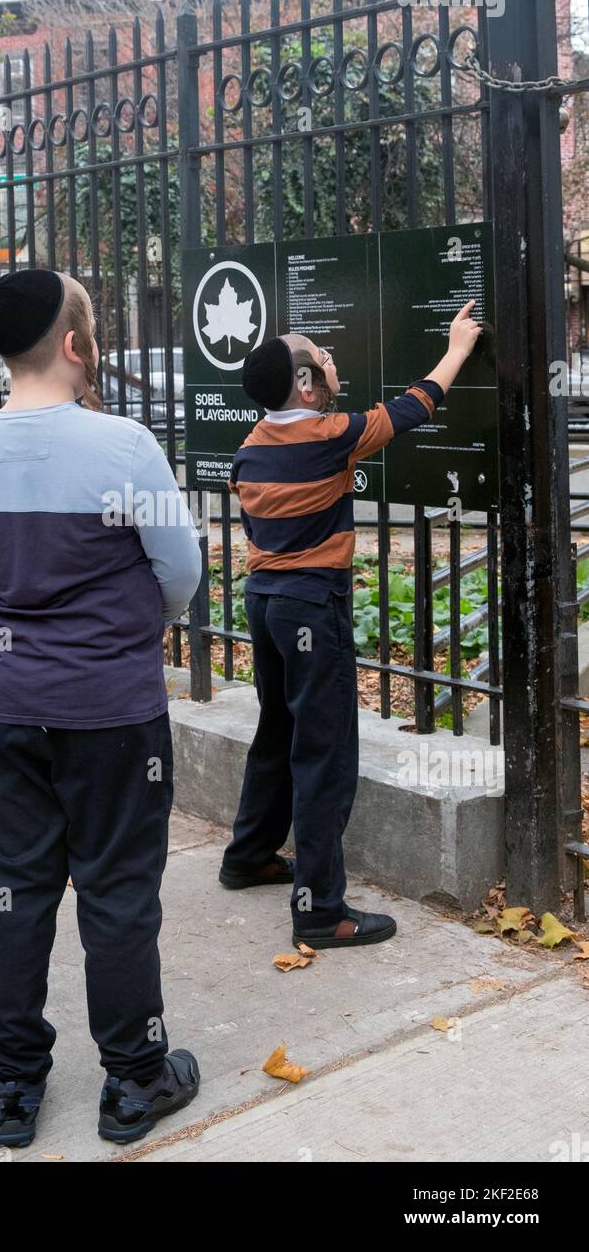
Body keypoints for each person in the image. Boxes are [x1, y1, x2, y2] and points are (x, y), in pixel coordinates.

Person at [0, 268, 203, 1148]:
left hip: (8, 704)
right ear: (78, 345)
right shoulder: (126, 448)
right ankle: (133, 1078)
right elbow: (181, 577)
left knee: (12, 886)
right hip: (113, 710)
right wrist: (128, 633)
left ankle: (11, 1084)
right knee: (119, 890)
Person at [218, 301, 483, 951]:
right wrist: (456, 347)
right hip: (311, 606)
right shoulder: (330, 433)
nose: (334, 360)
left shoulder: (251, 449)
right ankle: (319, 911)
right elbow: (413, 407)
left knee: (278, 731)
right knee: (326, 755)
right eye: (322, 357)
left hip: (266, 601)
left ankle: (250, 855)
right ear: (306, 384)